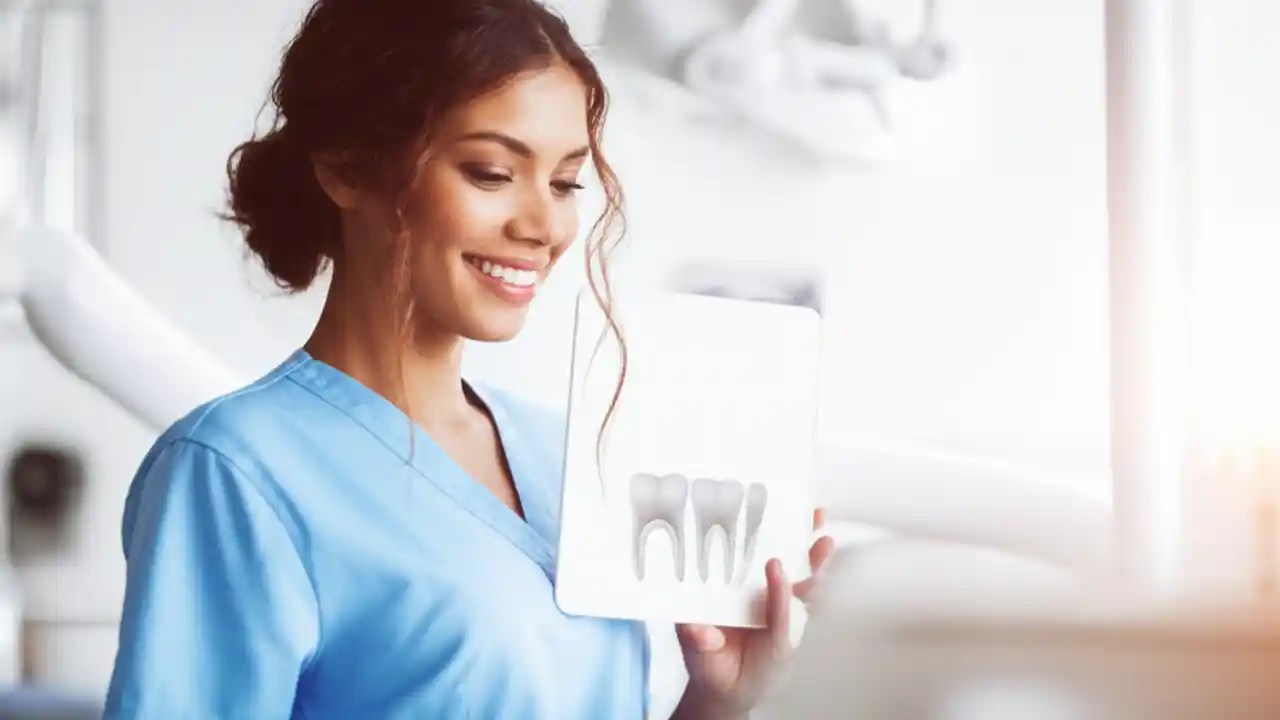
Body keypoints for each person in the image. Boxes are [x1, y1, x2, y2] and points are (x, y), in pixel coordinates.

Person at [103, 1, 834, 717]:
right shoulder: (234, 473)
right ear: (347, 168)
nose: (544, 225)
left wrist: (718, 697)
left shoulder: (566, 459)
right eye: (490, 172)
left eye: (564, 182)